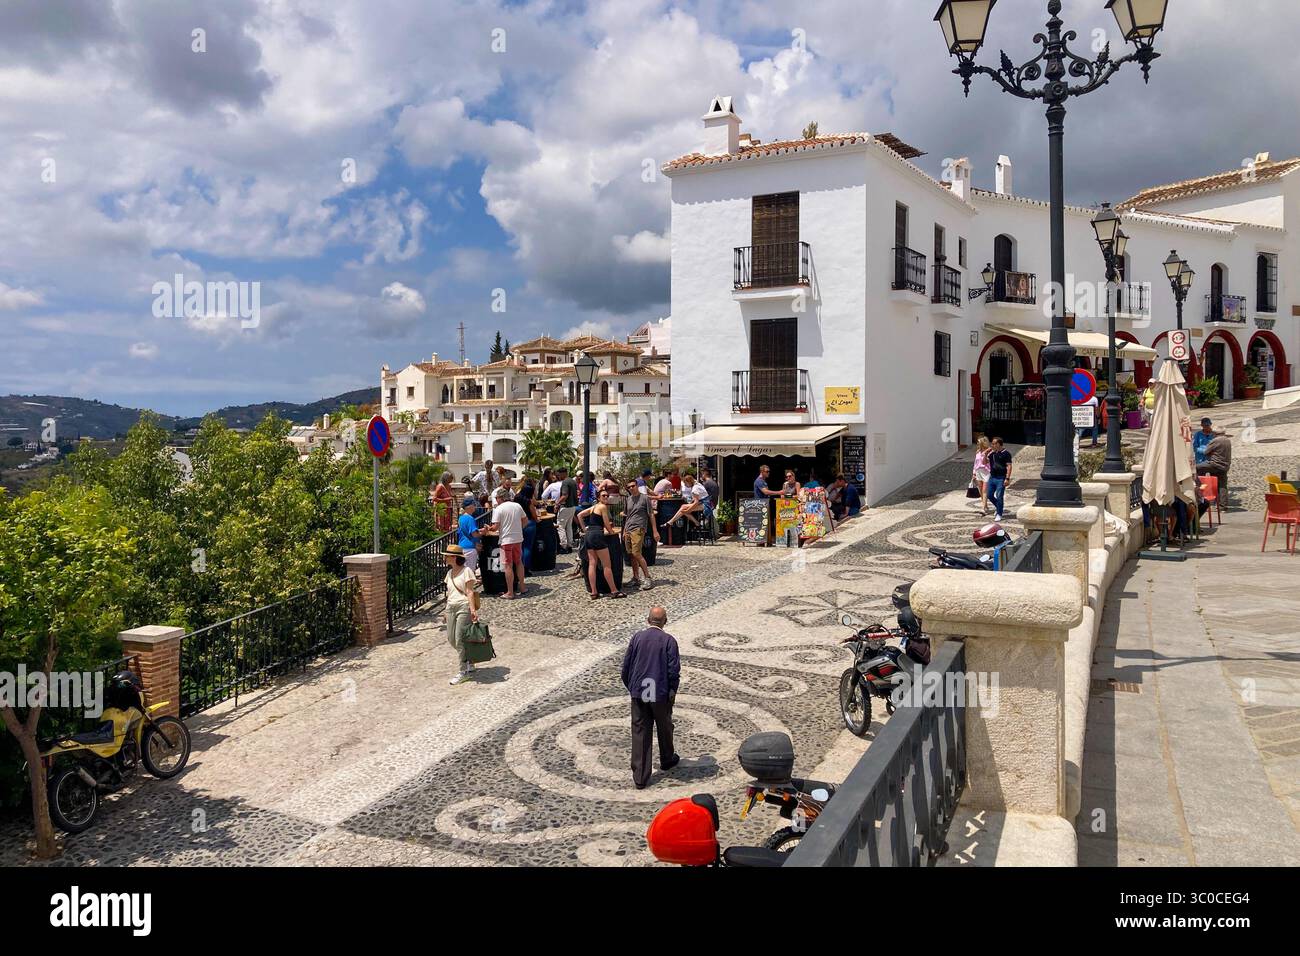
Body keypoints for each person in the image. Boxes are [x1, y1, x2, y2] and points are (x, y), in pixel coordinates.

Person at [621, 606, 680, 789]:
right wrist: (672, 693)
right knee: (664, 726)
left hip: (640, 690)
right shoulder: (669, 641)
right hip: (659, 691)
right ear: (665, 621)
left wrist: (632, 687)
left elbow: (626, 666)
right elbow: (673, 671)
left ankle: (640, 775)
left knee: (640, 731)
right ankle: (667, 758)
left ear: (648, 620)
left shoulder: (637, 638)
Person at [577, 488, 626, 600]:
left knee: (592, 564)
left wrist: (584, 529)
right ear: (598, 497)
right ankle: (614, 590)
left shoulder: (594, 507)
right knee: (606, 565)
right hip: (598, 535)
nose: (606, 497)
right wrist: (612, 533)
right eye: (603, 496)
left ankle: (594, 592)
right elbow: (606, 524)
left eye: (607, 496)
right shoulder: (603, 507)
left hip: (589, 536)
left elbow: (579, 515)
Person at [444, 544, 481, 686]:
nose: (445, 558)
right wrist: (445, 611)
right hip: (451, 607)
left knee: (459, 639)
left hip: (463, 607)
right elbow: (449, 593)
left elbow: (469, 592)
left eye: (447, 556)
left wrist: (473, 610)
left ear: (454, 557)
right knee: (451, 639)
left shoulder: (466, 572)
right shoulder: (449, 574)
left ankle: (463, 671)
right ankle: (469, 661)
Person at [485, 488, 528, 599]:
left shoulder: (499, 509)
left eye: (496, 498)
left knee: (508, 565)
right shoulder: (517, 506)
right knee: (518, 562)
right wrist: (519, 529)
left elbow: (495, 527)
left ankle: (510, 592)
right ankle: (522, 587)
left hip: (506, 540)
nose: (496, 500)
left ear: (501, 498)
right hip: (518, 538)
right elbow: (525, 520)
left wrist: (488, 528)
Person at [622, 479, 657, 589]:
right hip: (628, 529)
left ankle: (648, 577)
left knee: (637, 553)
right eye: (629, 487)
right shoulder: (628, 499)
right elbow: (627, 515)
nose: (631, 488)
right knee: (631, 554)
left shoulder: (645, 498)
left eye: (633, 486)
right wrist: (624, 531)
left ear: (637, 486)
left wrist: (655, 531)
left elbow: (651, 514)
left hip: (639, 528)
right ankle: (635, 577)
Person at [986, 437, 1013, 521]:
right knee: (989, 495)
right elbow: (985, 462)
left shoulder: (1006, 454)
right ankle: (998, 507)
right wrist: (985, 454)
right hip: (992, 477)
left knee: (999, 495)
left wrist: (1007, 478)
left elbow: (1009, 466)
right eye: (992, 444)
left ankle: (999, 513)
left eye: (994, 443)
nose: (992, 445)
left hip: (1001, 478)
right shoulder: (992, 454)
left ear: (999, 444)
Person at [456, 496, 483, 576]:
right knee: (469, 573)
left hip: (462, 546)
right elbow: (474, 534)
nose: (475, 506)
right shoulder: (470, 518)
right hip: (470, 548)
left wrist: (479, 531)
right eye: (474, 504)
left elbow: (466, 531)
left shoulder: (461, 518)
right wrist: (483, 533)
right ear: (469, 506)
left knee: (463, 571)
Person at [972, 437, 992, 516]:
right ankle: (985, 505)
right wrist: (974, 473)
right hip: (978, 471)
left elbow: (988, 462)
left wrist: (986, 454)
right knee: (980, 489)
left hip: (986, 471)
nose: (977, 444)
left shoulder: (990, 451)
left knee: (984, 490)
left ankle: (983, 508)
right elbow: (975, 463)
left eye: (978, 442)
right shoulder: (978, 452)